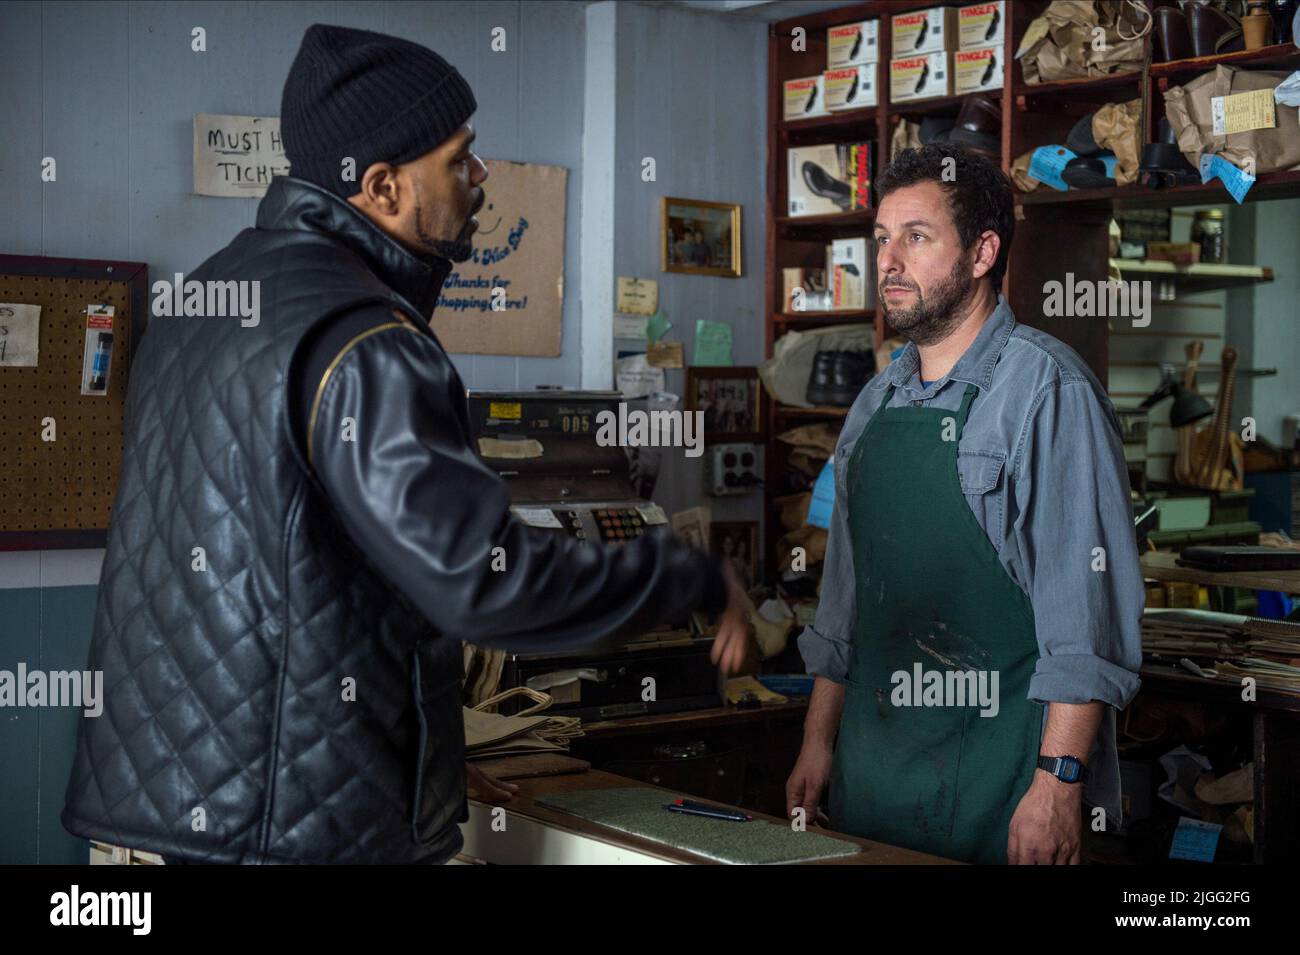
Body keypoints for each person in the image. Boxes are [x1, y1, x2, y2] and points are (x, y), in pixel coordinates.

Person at [62, 24, 751, 865]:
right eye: (459, 158)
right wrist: (683, 572)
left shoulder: (198, 306)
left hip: (145, 822)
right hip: (289, 834)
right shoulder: (368, 340)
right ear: (383, 186)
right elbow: (483, 582)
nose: (482, 175)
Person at [786, 144, 1143, 864]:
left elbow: (1086, 625)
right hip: (873, 781)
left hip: (1004, 788)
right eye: (882, 239)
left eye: (916, 238)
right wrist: (816, 741)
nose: (888, 261)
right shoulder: (874, 401)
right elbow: (842, 608)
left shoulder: (1048, 393)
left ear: (982, 252)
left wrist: (1058, 783)